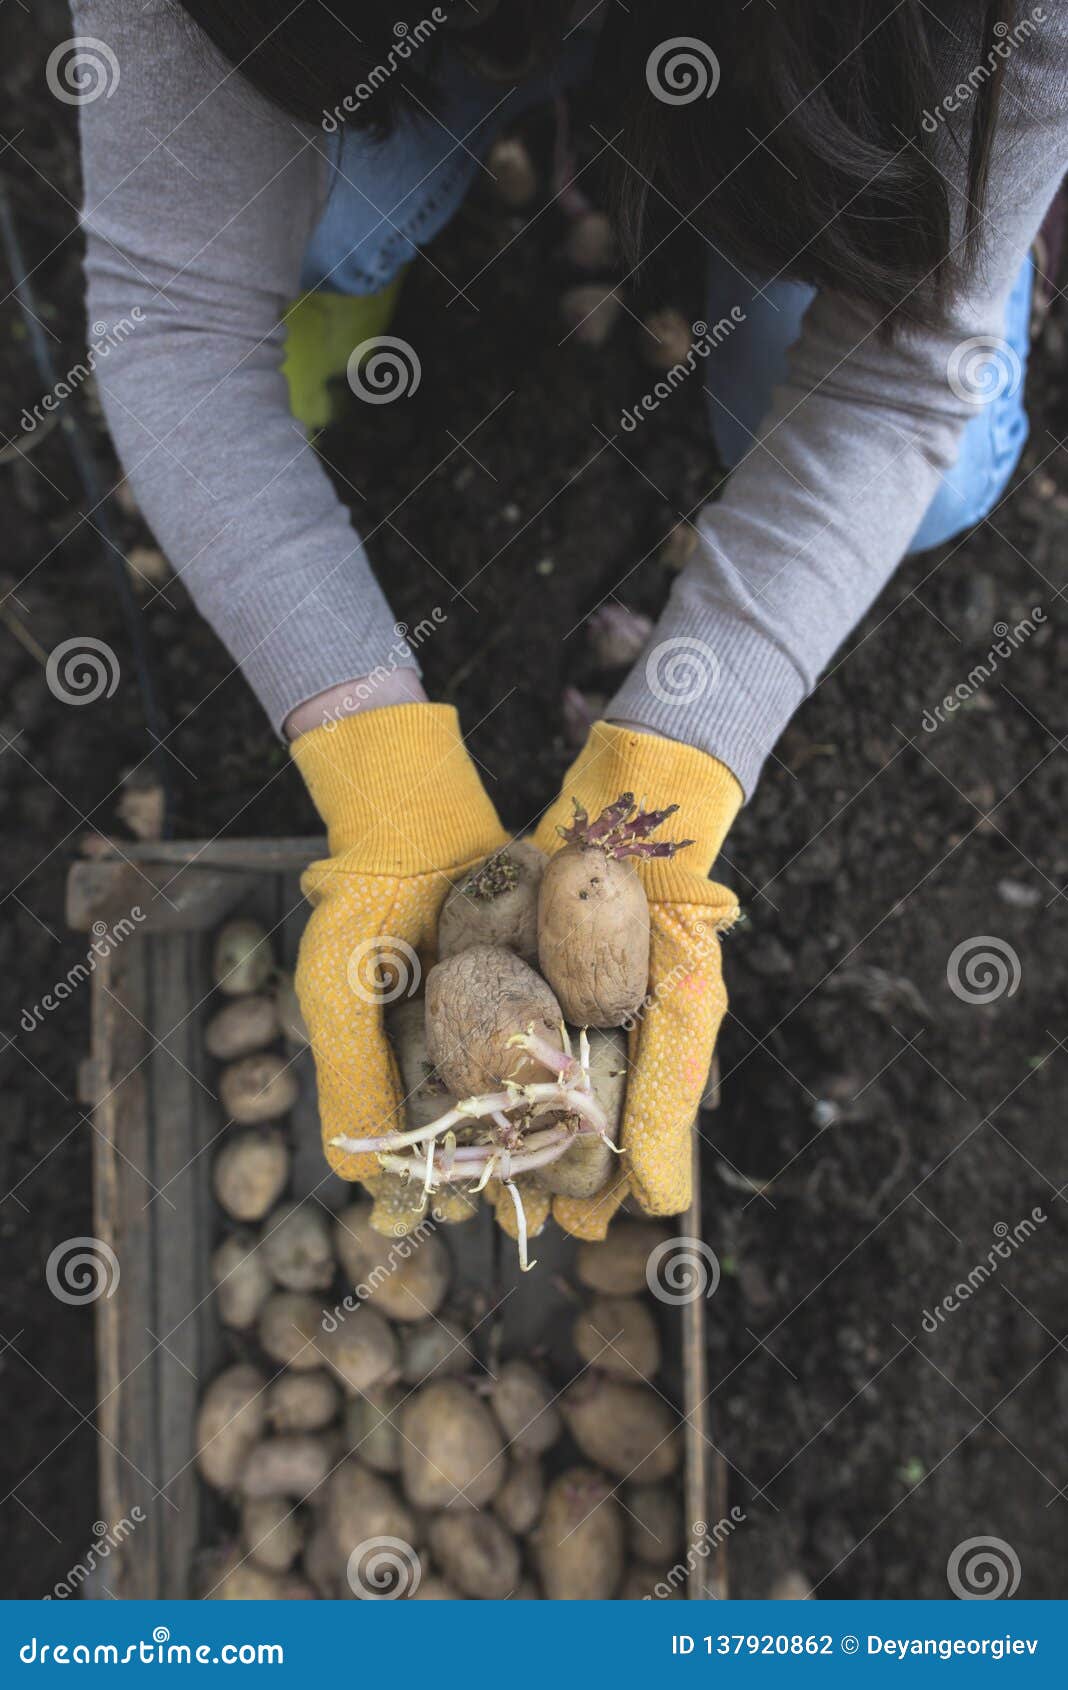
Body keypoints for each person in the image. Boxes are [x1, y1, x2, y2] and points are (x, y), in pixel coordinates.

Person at [71, 0, 1067, 1239]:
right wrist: (373, 760)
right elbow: (172, 314)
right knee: (304, 213)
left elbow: (911, 361)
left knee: (947, 464)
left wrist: (689, 748)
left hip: (822, 71)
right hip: (444, 32)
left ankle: (714, 180)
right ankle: (516, 105)